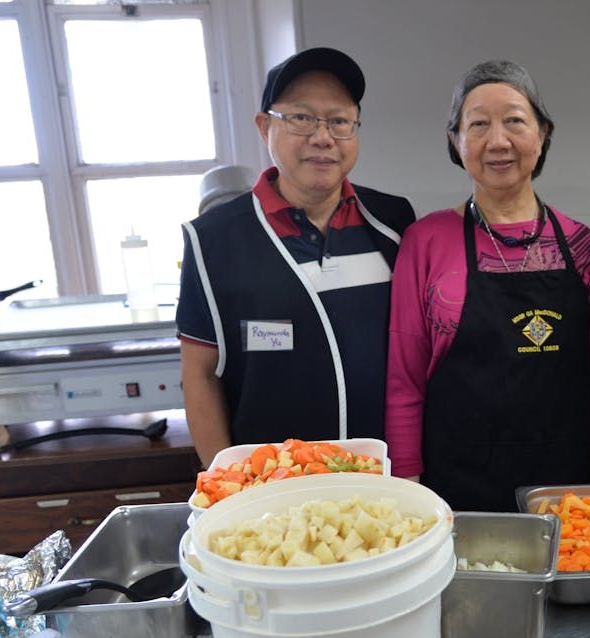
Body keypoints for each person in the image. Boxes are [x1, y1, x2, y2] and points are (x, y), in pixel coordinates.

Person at [386, 60, 590, 512]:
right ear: (456, 140)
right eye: (478, 125)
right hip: (454, 492)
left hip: (565, 492)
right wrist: (408, 501)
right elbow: (404, 384)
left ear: (543, 133)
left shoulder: (582, 247)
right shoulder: (425, 242)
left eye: (514, 121)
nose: (498, 141)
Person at [176, 48, 416, 466]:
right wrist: (226, 485)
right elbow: (199, 374)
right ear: (264, 126)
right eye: (301, 118)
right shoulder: (212, 241)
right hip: (273, 497)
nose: (322, 137)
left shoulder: (394, 222)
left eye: (339, 121)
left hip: (380, 491)